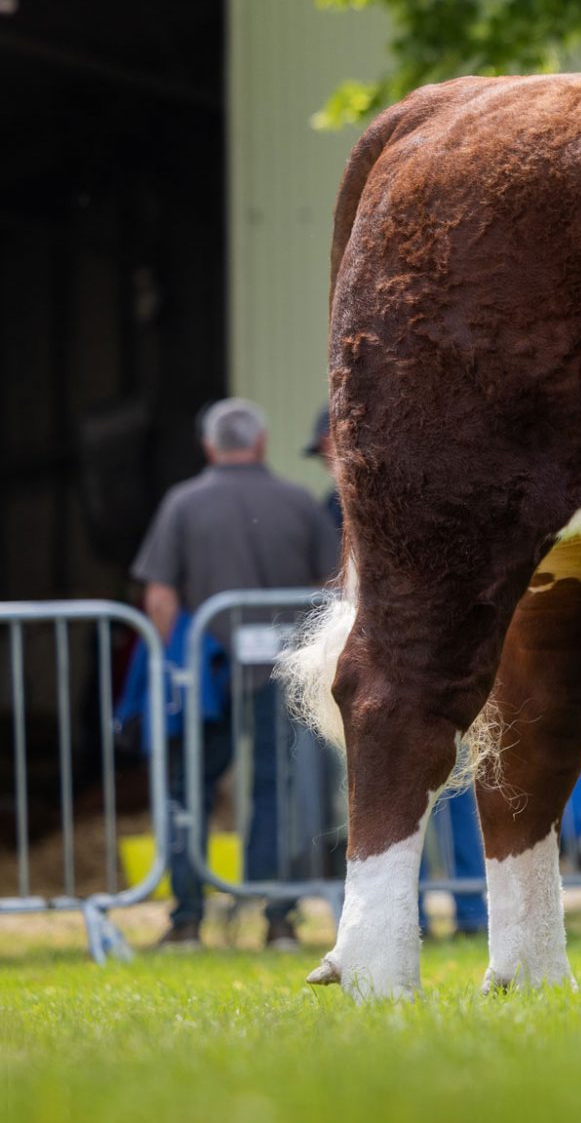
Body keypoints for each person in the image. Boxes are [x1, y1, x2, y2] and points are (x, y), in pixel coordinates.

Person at [133, 399, 340, 949]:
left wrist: (171, 662)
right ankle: (276, 917)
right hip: (284, 673)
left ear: (209, 446)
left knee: (191, 787)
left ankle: (187, 919)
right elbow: (331, 588)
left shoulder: (183, 504)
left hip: (209, 676)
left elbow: (159, 596)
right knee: (277, 789)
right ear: (262, 443)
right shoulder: (299, 504)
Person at [306, 402, 487, 938]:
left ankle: (462, 912)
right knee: (409, 794)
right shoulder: (345, 505)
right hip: (409, 663)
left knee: (441, 789)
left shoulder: (398, 497)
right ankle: (417, 914)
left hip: (420, 662)